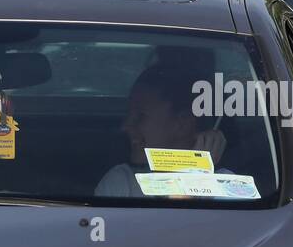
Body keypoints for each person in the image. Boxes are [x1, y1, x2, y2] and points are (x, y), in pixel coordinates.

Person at [95, 66, 228, 198]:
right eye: (129, 115)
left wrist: (194, 180)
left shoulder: (225, 186)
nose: (125, 126)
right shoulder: (121, 182)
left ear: (182, 124)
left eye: (141, 116)